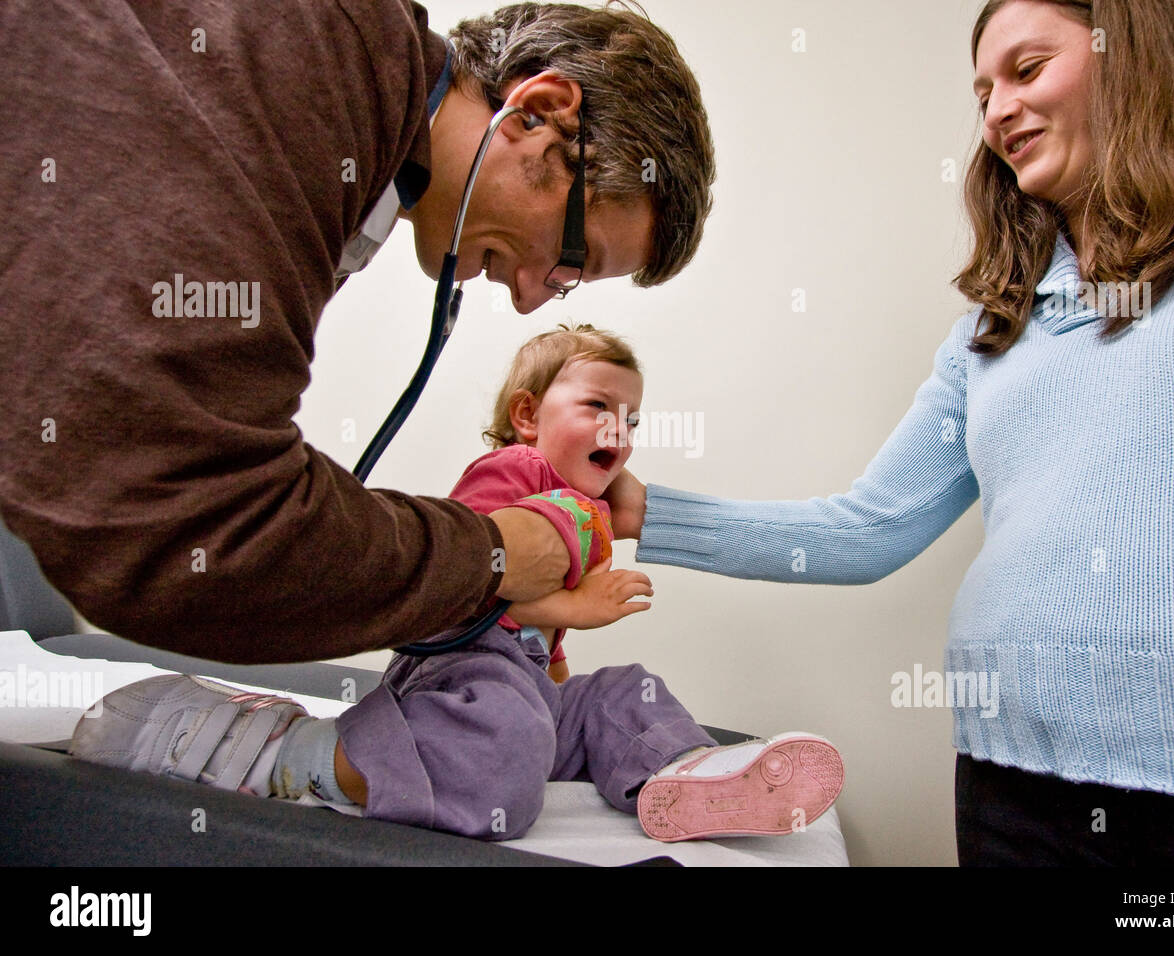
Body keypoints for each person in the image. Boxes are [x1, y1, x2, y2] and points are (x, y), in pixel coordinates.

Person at [601, 0, 1174, 865]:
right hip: (1012, 785)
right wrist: (634, 512)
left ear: (1134, 48)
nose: (998, 109)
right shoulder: (993, 326)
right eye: (983, 93)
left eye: (1027, 70)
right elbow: (870, 527)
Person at [0, 1, 715, 664]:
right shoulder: (303, 66)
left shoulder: (348, 114)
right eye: (571, 260)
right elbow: (191, 524)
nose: (531, 299)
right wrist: (489, 553)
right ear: (539, 111)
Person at [69, 325, 845, 843]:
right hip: (459, 672)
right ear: (527, 415)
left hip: (520, 680)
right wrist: (579, 603)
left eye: (633, 418)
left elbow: (545, 646)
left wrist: (562, 666)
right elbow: (473, 580)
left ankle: (684, 780)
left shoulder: (581, 504)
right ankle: (301, 754)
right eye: (598, 408)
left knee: (624, 692)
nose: (619, 432)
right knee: (506, 742)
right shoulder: (513, 471)